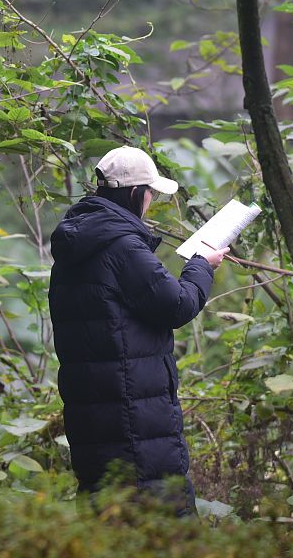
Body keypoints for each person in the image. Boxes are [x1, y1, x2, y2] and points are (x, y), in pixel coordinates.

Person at [48, 145, 228, 515]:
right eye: (149, 193)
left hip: (93, 421)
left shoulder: (74, 247)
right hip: (135, 423)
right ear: (135, 194)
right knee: (161, 528)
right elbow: (177, 304)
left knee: (107, 525)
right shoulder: (123, 247)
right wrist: (202, 265)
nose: (149, 202)